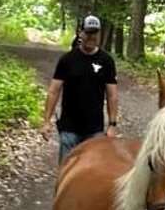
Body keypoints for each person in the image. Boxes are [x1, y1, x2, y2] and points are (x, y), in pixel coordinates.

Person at [40, 14, 119, 163]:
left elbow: (112, 95)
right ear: (81, 33)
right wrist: (46, 121)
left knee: (93, 173)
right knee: (66, 172)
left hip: (95, 129)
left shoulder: (106, 61)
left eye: (95, 33)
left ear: (99, 34)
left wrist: (112, 125)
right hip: (69, 128)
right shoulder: (67, 60)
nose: (91, 37)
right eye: (88, 32)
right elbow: (53, 91)